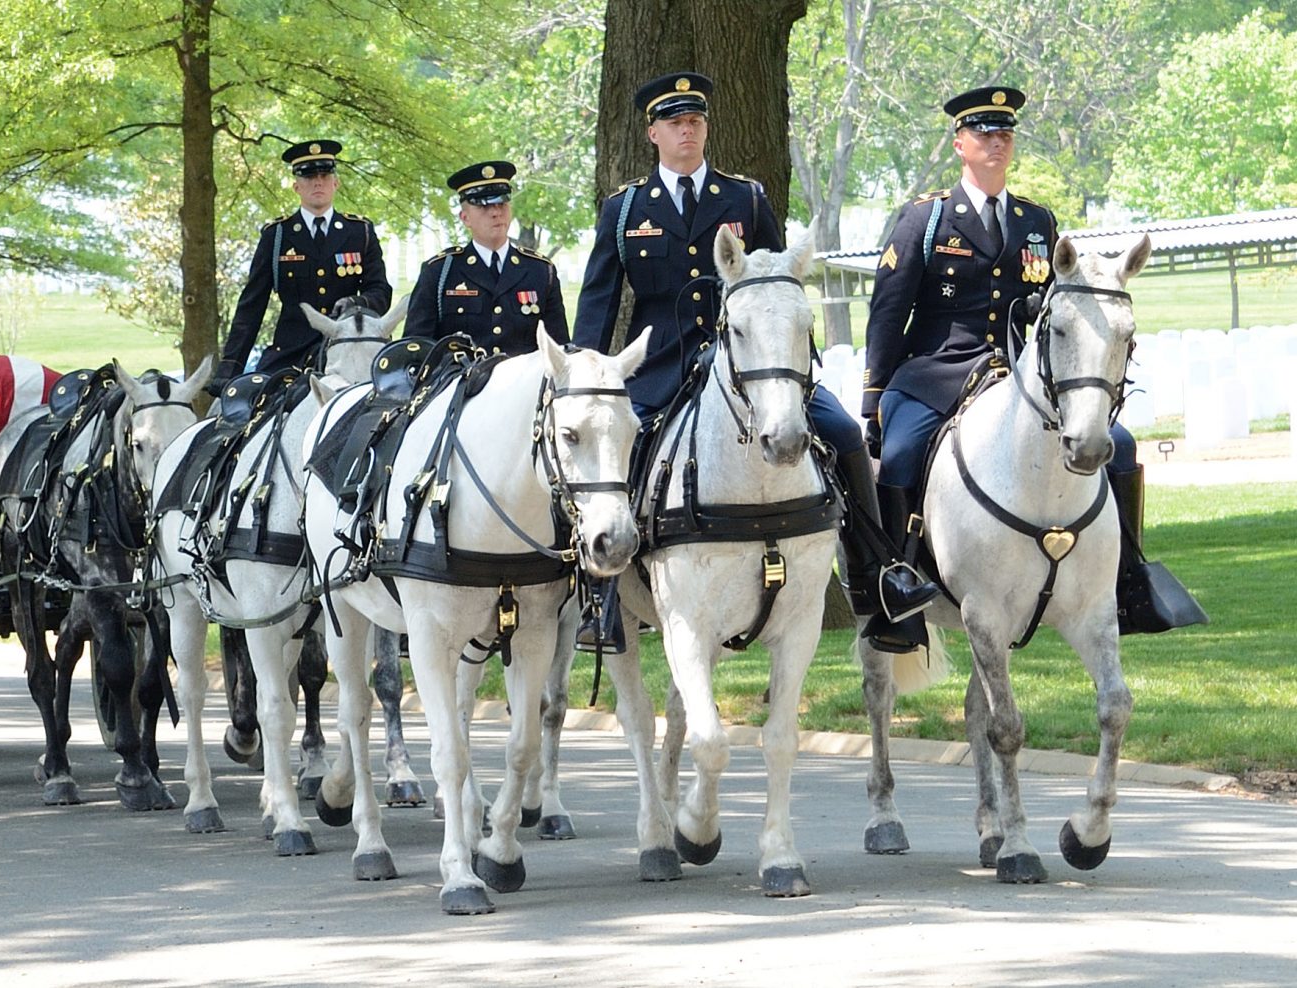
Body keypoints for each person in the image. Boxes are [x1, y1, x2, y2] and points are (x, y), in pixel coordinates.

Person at [573, 71, 937, 651]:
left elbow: (779, 283)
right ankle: (602, 598)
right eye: (674, 122)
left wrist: (799, 368)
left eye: (694, 120)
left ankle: (878, 574)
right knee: (623, 454)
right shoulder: (625, 211)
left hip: (754, 368)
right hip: (663, 370)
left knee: (842, 434)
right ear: (653, 134)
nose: (687, 129)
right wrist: (588, 376)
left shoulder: (745, 197)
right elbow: (598, 301)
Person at [863, 86, 1203, 640]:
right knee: (900, 455)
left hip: (1019, 372)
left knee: (1121, 447)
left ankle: (1128, 579)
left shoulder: (1036, 222)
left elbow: (1055, 310)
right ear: (960, 145)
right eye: (983, 134)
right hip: (934, 375)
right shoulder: (926, 219)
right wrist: (874, 396)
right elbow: (887, 311)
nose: (996, 143)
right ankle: (897, 589)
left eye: (1004, 134)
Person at [216, 139, 392, 389]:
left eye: (324, 174)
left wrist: (355, 303)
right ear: (296, 186)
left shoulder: (360, 232)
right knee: (250, 410)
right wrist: (229, 368)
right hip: (290, 353)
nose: (317, 182)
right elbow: (251, 306)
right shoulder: (277, 236)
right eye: (308, 176)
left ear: (335, 183)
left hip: (347, 349)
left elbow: (380, 292)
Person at [404, 160, 569, 355]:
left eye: (502, 204)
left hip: (525, 383)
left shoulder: (540, 271)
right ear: (465, 218)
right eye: (484, 207)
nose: (496, 212)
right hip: (464, 383)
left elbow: (559, 350)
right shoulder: (440, 272)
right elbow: (415, 347)